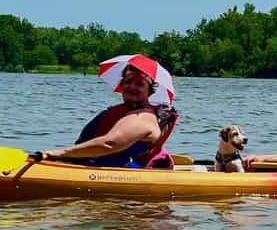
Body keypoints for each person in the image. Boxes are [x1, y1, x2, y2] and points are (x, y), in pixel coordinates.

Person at [43, 64, 178, 168]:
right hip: (102, 163)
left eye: (139, 84)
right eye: (128, 82)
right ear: (121, 85)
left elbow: (109, 144)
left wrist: (60, 153)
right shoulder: (123, 112)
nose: (132, 87)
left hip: (125, 172)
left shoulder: (141, 117)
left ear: (149, 90)